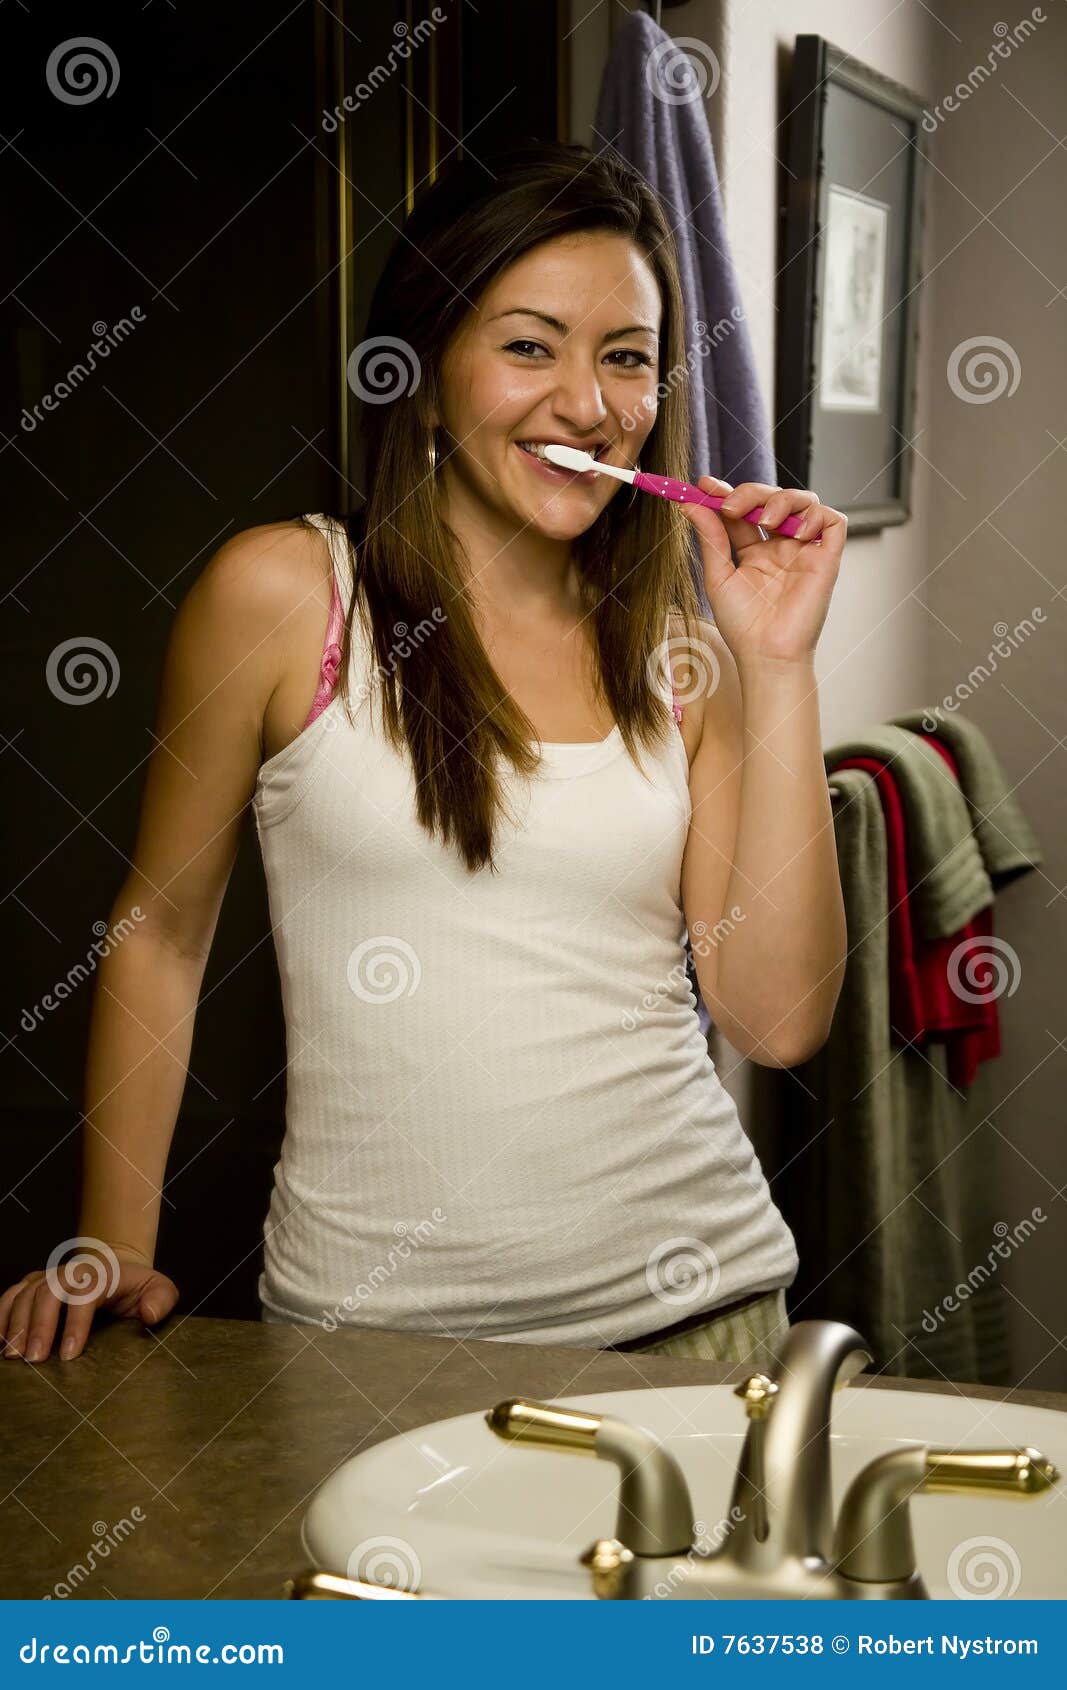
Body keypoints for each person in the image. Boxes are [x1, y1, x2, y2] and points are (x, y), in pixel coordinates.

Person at [1, 142, 847, 1367]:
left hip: (704, 1323)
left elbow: (773, 1022)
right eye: (527, 345)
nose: (587, 404)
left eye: (625, 358)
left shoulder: (686, 662)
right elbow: (162, 931)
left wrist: (776, 666)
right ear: (425, 367)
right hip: (369, 1347)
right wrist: (111, 1240)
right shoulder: (287, 597)